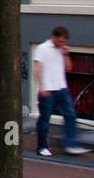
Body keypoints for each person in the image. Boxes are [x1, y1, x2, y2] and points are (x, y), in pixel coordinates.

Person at [34, 26, 90, 157]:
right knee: (45, 119)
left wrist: (66, 54)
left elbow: (69, 68)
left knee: (70, 115)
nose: (62, 44)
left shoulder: (62, 50)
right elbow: (37, 68)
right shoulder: (42, 49)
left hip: (61, 89)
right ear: (54, 38)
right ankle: (41, 147)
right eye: (60, 41)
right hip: (47, 90)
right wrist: (41, 87)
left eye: (64, 42)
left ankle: (70, 144)